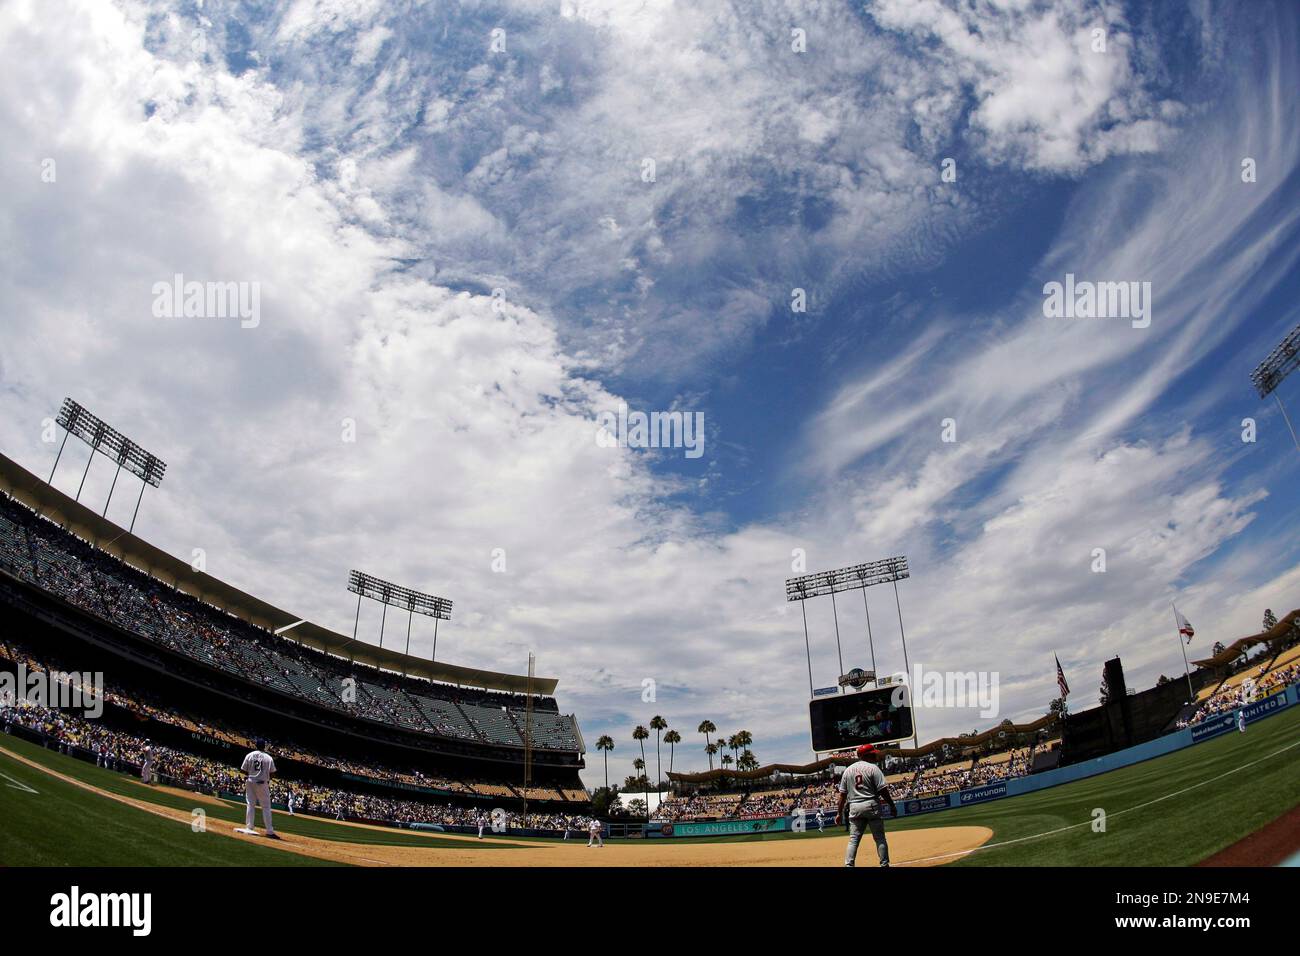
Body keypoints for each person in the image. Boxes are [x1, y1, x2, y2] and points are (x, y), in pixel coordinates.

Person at [834, 743, 896, 868]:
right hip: (871, 804)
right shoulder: (873, 768)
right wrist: (891, 805)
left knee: (853, 840)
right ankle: (884, 864)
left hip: (855, 807)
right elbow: (883, 790)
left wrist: (839, 813)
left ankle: (849, 865)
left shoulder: (847, 771)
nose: (875, 755)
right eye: (873, 754)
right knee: (879, 838)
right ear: (866, 755)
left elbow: (842, 796)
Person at [237, 737, 279, 839]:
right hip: (262, 783)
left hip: (250, 781)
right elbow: (273, 773)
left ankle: (249, 827)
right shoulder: (268, 758)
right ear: (264, 746)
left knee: (250, 804)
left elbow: (242, 770)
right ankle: (269, 831)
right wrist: (268, 778)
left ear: (256, 745)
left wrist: (251, 774)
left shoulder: (249, 755)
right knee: (266, 807)